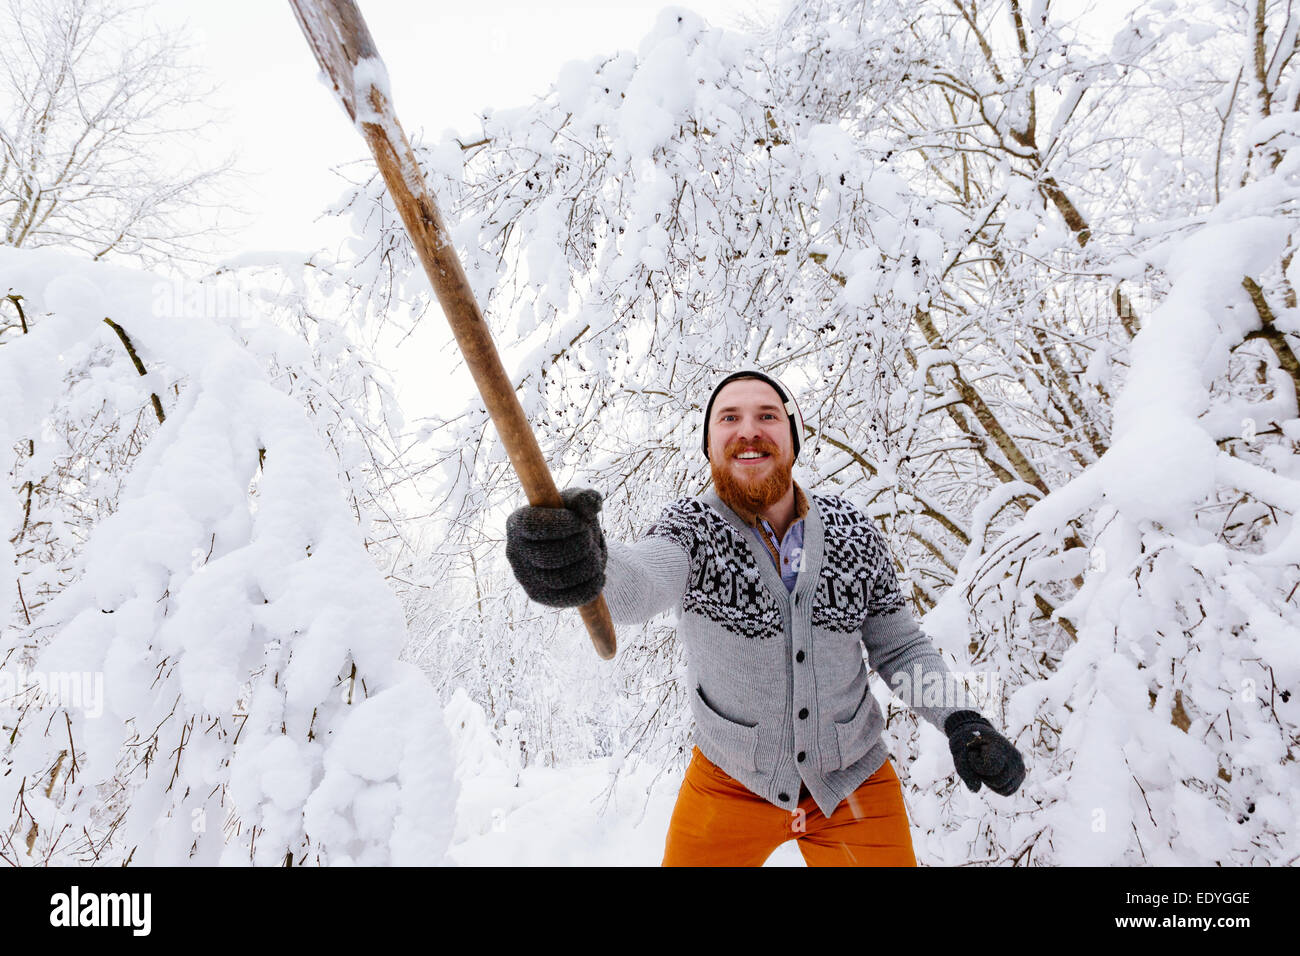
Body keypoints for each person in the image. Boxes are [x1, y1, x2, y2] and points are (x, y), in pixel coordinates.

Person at [505, 369, 1026, 866]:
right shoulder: (692, 531)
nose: (748, 430)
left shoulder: (853, 533)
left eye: (767, 416)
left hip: (852, 782)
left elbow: (900, 647)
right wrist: (588, 561)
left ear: (794, 439)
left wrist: (962, 720)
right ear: (709, 447)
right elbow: (639, 582)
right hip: (730, 781)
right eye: (728, 418)